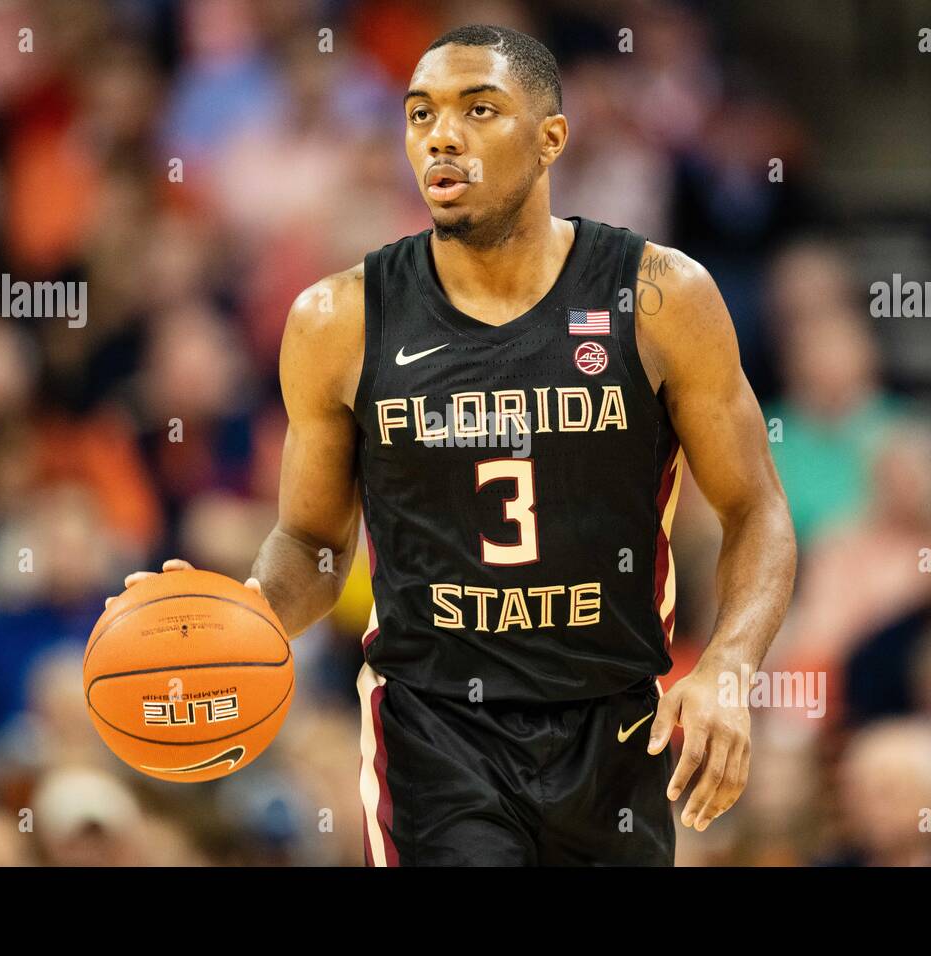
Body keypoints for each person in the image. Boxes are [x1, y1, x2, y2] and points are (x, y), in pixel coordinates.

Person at [113, 25, 795, 866]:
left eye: (480, 110)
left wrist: (728, 665)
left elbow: (755, 508)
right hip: (434, 733)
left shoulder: (659, 297)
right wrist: (246, 613)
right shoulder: (339, 320)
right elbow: (314, 544)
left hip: (614, 723)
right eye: (420, 113)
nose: (442, 134)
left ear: (551, 139)